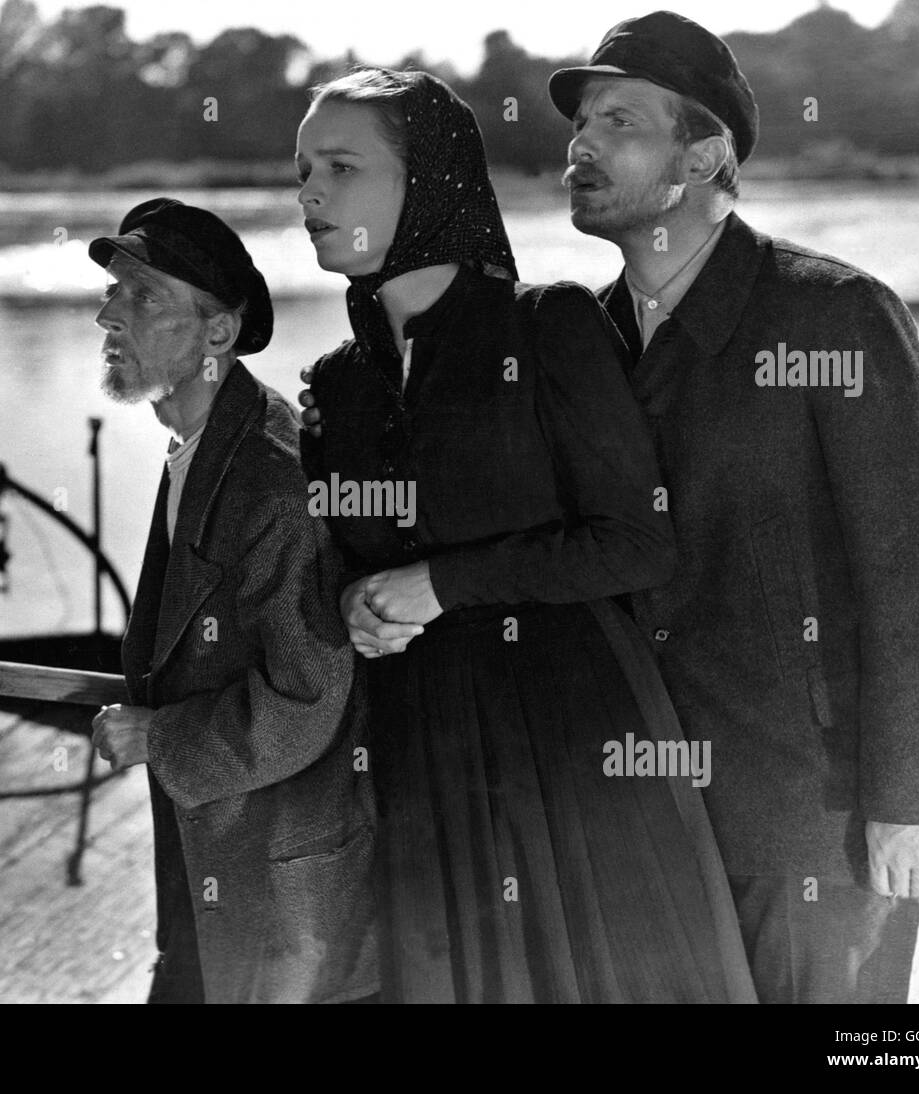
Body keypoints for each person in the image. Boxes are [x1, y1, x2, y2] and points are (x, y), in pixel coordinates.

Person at [295, 67, 756, 1003]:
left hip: (571, 746)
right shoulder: (335, 384)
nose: (309, 193)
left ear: (429, 180)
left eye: (342, 166)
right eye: (302, 171)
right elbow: (351, 569)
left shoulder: (548, 326)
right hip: (424, 750)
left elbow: (635, 542)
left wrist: (443, 585)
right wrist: (355, 605)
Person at [543, 10, 919, 1003]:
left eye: (617, 122)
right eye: (578, 124)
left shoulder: (832, 313)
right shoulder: (578, 339)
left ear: (703, 155)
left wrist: (910, 797)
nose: (578, 145)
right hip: (637, 826)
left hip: (805, 828)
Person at [88, 197, 377, 1004]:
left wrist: (158, 735)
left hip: (280, 890)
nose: (110, 315)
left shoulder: (271, 480)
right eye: (116, 292)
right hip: (216, 858)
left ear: (218, 333)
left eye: (144, 297)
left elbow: (307, 698)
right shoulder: (200, 443)